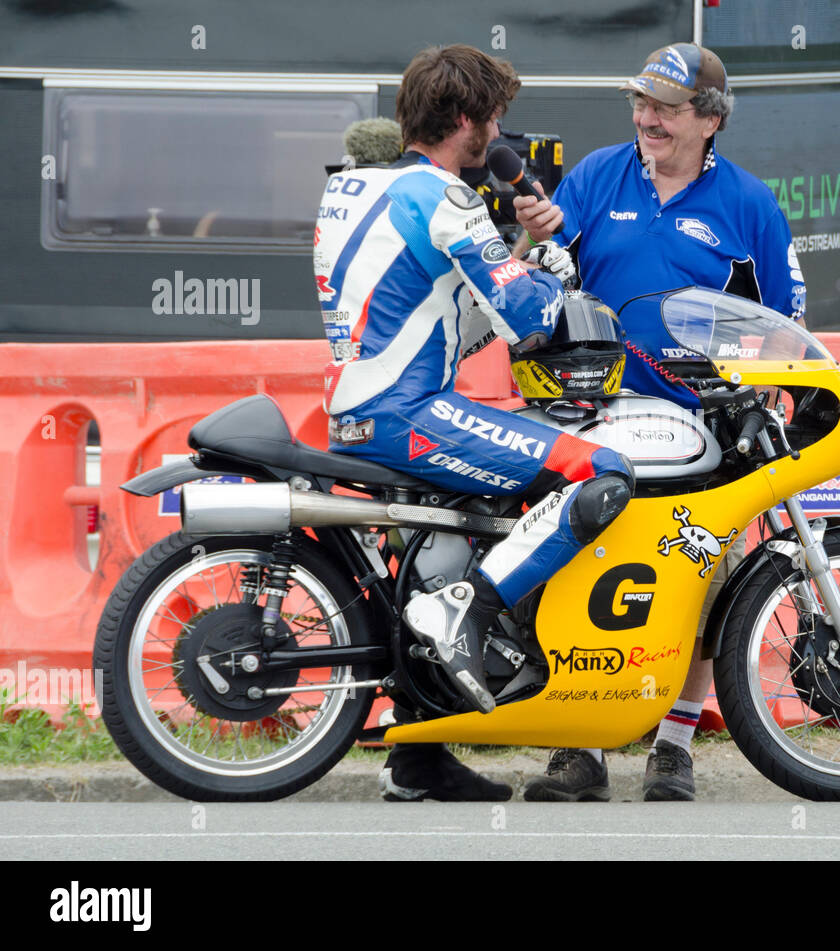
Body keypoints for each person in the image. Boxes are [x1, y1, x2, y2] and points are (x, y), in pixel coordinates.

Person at [313, 45, 633, 800]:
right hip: (410, 413)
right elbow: (522, 317)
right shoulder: (447, 198)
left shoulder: (356, 189)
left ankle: (417, 763)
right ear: (465, 120)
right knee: (601, 470)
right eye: (495, 120)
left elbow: (455, 318)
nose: (500, 135)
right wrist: (552, 267)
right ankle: (473, 614)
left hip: (355, 410)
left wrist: (516, 247)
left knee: (435, 562)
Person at [510, 42, 807, 800]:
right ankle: (582, 748)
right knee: (578, 561)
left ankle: (674, 742)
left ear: (710, 120)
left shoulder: (749, 204)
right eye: (641, 105)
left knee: (704, 577)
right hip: (593, 410)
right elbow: (539, 276)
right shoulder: (595, 174)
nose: (647, 119)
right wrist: (535, 234)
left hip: (702, 418)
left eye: (666, 109)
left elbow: (789, 317)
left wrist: (771, 401)